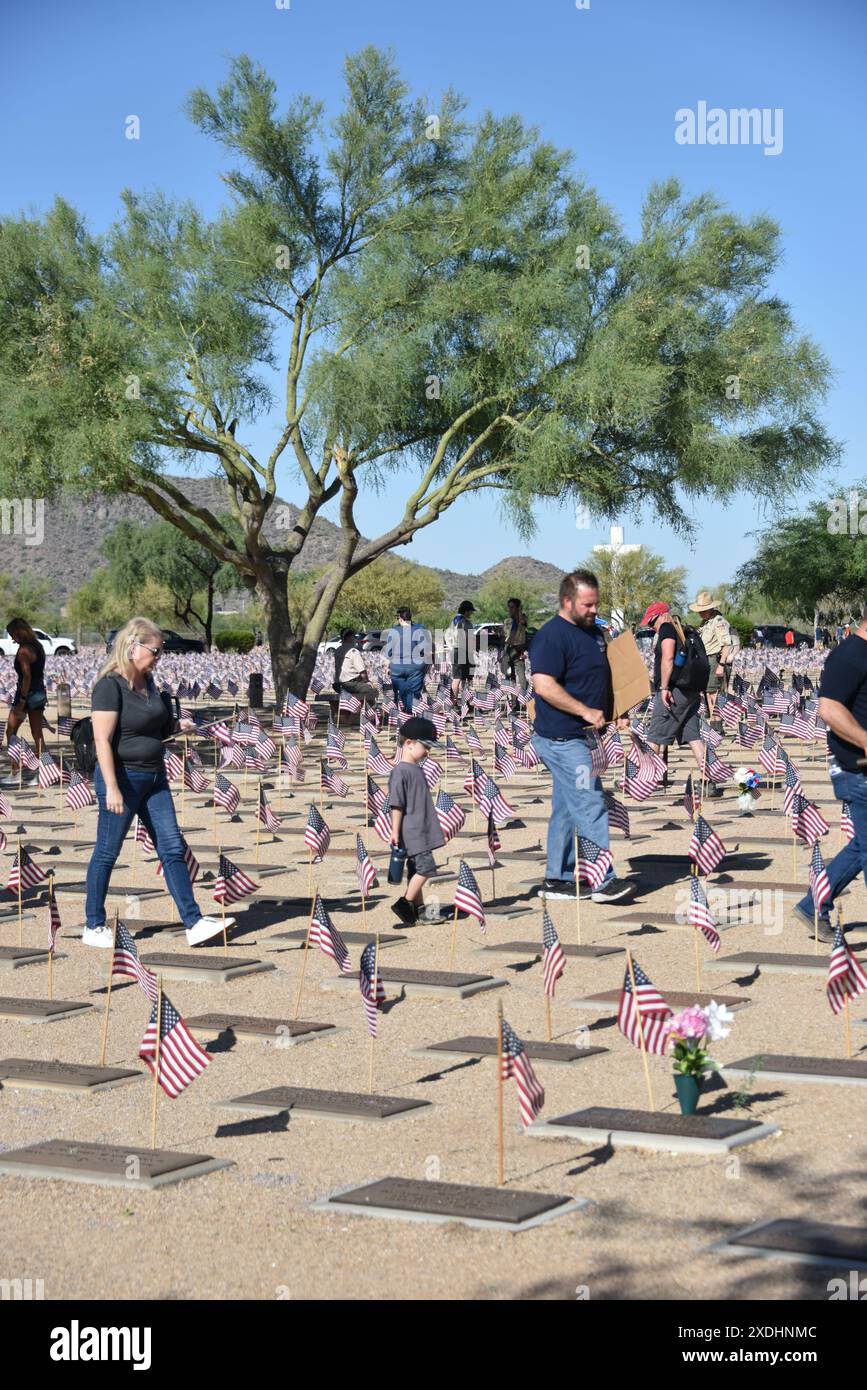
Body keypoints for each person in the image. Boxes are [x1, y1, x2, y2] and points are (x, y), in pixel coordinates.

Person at [84, 618, 235, 949]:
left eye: (160, 651)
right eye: (155, 650)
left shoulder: (149, 682)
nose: (159, 657)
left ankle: (193, 922)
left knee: (171, 847)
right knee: (107, 851)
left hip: (155, 777)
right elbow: (102, 740)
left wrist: (178, 725)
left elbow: (157, 729)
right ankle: (93, 924)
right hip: (122, 778)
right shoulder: (109, 686)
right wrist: (110, 786)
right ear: (132, 647)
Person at [529, 569, 636, 903]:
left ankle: (557, 879)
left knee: (567, 806)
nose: (593, 610)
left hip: (586, 736)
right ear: (567, 601)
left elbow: (596, 677)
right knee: (589, 802)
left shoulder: (593, 634)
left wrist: (615, 709)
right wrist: (585, 711)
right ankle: (602, 880)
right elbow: (543, 685)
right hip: (563, 738)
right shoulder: (551, 636)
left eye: (596, 604)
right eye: (587, 605)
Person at [793, 605, 867, 942]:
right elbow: (829, 708)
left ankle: (813, 905)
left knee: (860, 847)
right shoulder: (849, 655)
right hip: (858, 771)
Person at [643, 601, 723, 797]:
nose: (651, 627)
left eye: (652, 622)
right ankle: (708, 780)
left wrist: (664, 688)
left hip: (674, 691)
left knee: (655, 734)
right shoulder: (684, 628)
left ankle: (646, 781)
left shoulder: (667, 628)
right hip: (691, 691)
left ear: (661, 616)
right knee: (693, 736)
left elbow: (668, 657)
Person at [388, 716, 445, 925]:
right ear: (409, 744)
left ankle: (420, 911)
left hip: (421, 829)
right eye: (425, 746)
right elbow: (397, 804)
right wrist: (395, 832)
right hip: (412, 832)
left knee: (416, 871)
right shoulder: (401, 772)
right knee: (426, 868)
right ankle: (405, 903)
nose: (428, 751)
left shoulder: (415, 769)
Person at [5, 619, 48, 773]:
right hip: (39, 692)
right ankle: (47, 769)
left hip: (26, 693)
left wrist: (22, 700)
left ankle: (15, 770)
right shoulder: (38, 646)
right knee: (38, 734)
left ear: (18, 633)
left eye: (12, 634)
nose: (11, 638)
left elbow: (27, 676)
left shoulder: (23, 651)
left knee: (11, 731)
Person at [688, 591, 739, 712]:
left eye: (704, 610)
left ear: (711, 609)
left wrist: (721, 665)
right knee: (708, 693)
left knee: (714, 694)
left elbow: (726, 645)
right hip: (706, 660)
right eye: (700, 611)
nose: (701, 613)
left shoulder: (718, 622)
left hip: (715, 660)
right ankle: (714, 722)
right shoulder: (705, 622)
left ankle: (716, 724)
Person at [385, 607, 430, 712]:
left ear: (400, 618)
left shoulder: (394, 631)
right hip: (416, 667)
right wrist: (427, 667)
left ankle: (399, 715)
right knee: (414, 694)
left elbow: (389, 652)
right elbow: (426, 651)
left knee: (399, 693)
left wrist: (387, 666)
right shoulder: (419, 629)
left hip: (396, 667)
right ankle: (410, 714)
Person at [333, 629, 378, 705]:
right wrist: (367, 682)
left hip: (337, 685)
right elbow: (362, 672)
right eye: (354, 637)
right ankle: (369, 714)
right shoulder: (353, 651)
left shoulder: (338, 650)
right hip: (349, 685)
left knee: (363, 687)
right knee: (373, 691)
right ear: (349, 637)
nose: (355, 639)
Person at [450, 600, 477, 701]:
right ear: (466, 611)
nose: (471, 613)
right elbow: (469, 638)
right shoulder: (465, 622)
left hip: (455, 650)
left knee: (460, 677)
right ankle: (459, 702)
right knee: (462, 678)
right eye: (470, 611)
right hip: (463, 651)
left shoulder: (454, 621)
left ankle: (457, 702)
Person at [502, 597, 529, 691]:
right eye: (509, 607)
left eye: (512, 607)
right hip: (508, 649)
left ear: (518, 608)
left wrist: (519, 612)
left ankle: (524, 699)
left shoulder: (522, 618)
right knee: (509, 675)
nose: (510, 609)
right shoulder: (507, 621)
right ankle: (514, 703)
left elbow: (523, 623)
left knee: (521, 674)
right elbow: (505, 636)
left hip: (518, 649)